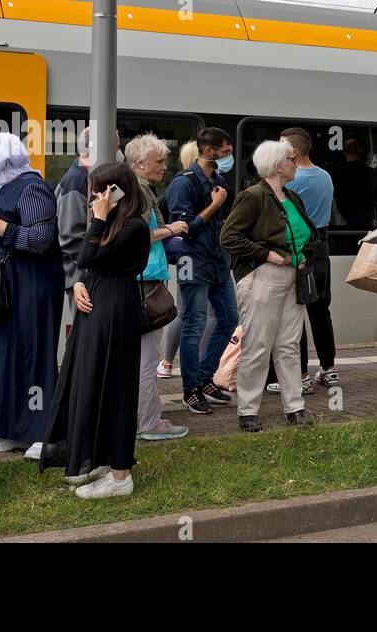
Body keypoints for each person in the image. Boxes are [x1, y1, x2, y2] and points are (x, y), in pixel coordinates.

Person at [42, 162, 151, 498]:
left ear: (116, 191)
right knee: (88, 380)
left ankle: (120, 476)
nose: (93, 197)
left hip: (116, 309)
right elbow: (91, 266)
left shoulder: (133, 226)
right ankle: (100, 458)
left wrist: (100, 217)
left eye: (99, 190)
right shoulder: (116, 222)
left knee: (115, 385)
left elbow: (87, 256)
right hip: (97, 304)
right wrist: (78, 285)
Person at [0, 133, 63, 460]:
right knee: (5, 356)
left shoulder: (32, 187)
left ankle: (40, 431)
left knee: (33, 356)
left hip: (31, 286)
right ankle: (8, 427)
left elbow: (40, 240)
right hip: (8, 287)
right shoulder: (3, 188)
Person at [221, 140, 315, 431]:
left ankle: (295, 408)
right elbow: (229, 237)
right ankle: (248, 411)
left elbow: (307, 234)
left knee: (289, 345)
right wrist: (268, 254)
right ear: (277, 166)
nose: (295, 163)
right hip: (263, 276)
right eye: (291, 159)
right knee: (258, 346)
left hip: (292, 276)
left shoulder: (292, 197)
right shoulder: (253, 196)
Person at [164, 127, 238, 415]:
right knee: (193, 325)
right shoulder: (183, 184)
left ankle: (205, 377)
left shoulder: (218, 180)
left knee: (229, 319)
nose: (229, 153)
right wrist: (214, 205)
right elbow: (183, 228)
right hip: (192, 262)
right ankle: (190, 389)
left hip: (217, 262)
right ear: (208, 151)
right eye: (226, 149)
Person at [126, 133, 189, 442]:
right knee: (146, 358)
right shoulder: (139, 192)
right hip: (146, 281)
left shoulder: (132, 188)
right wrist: (171, 229)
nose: (166, 167)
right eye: (160, 161)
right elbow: (140, 235)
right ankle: (149, 422)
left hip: (138, 279)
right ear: (140, 163)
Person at [266, 127, 339, 394]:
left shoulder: (292, 181)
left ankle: (302, 374)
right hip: (323, 247)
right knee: (320, 310)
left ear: (293, 152)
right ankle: (329, 368)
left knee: (297, 312)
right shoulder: (325, 177)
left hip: (300, 249)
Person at [57, 126, 121, 307]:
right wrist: (95, 264)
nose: (119, 154)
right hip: (85, 278)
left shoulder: (87, 177)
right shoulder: (77, 180)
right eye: (116, 148)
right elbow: (70, 236)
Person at [157, 140, 201, 380]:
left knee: (185, 310)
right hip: (191, 254)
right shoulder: (189, 185)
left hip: (183, 254)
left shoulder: (177, 183)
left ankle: (166, 362)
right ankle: (186, 366)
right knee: (192, 311)